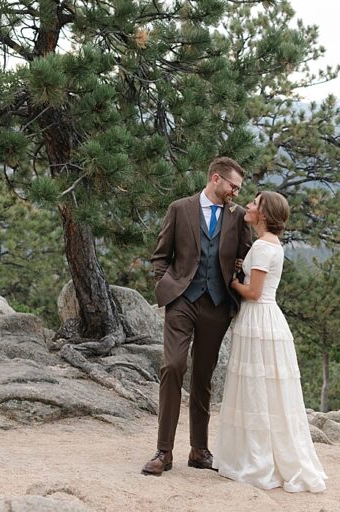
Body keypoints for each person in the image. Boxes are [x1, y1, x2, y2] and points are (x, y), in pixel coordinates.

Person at [142, 157, 252, 476]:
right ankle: (164, 452)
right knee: (173, 366)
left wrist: (236, 286)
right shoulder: (180, 208)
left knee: (203, 376)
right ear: (215, 179)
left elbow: (245, 257)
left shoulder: (239, 216)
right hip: (182, 300)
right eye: (233, 186)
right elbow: (161, 255)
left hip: (217, 304)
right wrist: (165, 286)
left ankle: (198, 450)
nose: (235, 192)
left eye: (238, 188)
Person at [214, 191, 328, 493]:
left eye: (254, 203)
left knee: (256, 387)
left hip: (259, 319)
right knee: (263, 387)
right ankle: (261, 452)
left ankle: (258, 458)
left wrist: (233, 281)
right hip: (264, 318)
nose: (248, 206)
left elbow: (254, 292)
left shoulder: (264, 246)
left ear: (263, 215)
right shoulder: (269, 244)